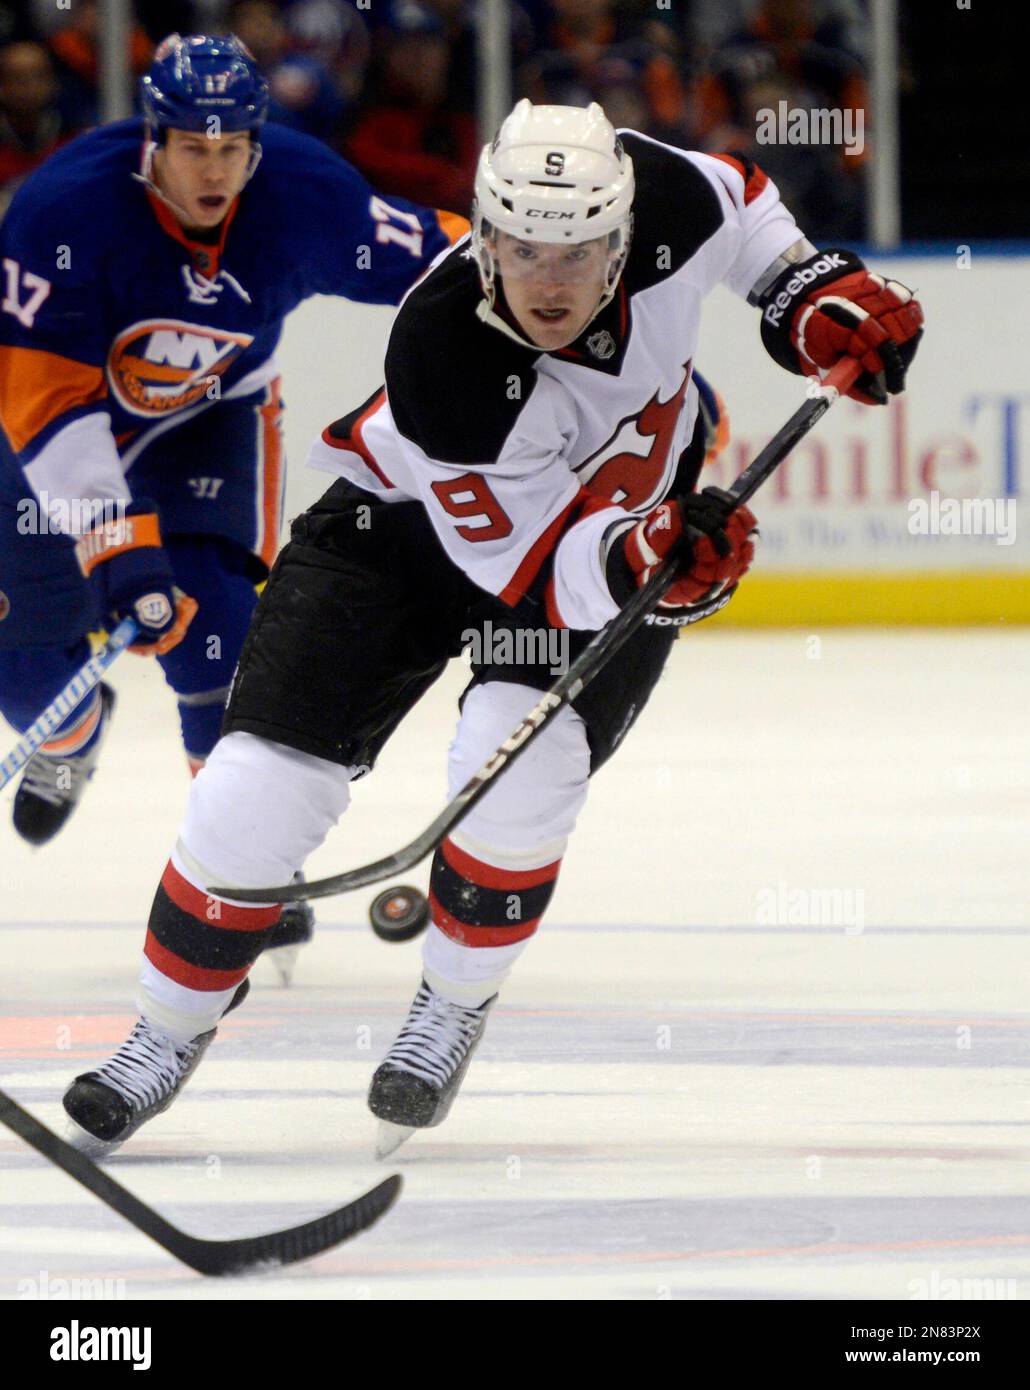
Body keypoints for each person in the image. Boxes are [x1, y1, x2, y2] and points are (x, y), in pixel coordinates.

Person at [60, 100, 922, 1158]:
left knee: (519, 776)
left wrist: (808, 292)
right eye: (520, 250)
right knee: (253, 789)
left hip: (607, 530)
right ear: (482, 235)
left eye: (578, 251)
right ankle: (166, 1030)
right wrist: (650, 560)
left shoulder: (671, 196)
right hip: (408, 530)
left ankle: (452, 1003)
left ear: (622, 233)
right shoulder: (443, 355)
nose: (549, 280)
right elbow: (527, 568)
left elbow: (744, 209)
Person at [0, 32, 464, 855]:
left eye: (232, 147)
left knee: (216, 633)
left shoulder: (307, 196)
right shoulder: (60, 210)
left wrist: (565, 282)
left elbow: (453, 265)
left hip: (207, 416)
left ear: (256, 141)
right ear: (154, 142)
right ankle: (71, 741)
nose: (213, 171)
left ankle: (233, 858)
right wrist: (116, 544)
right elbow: (45, 403)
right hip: (49, 429)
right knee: (26, 660)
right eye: (191, 148)